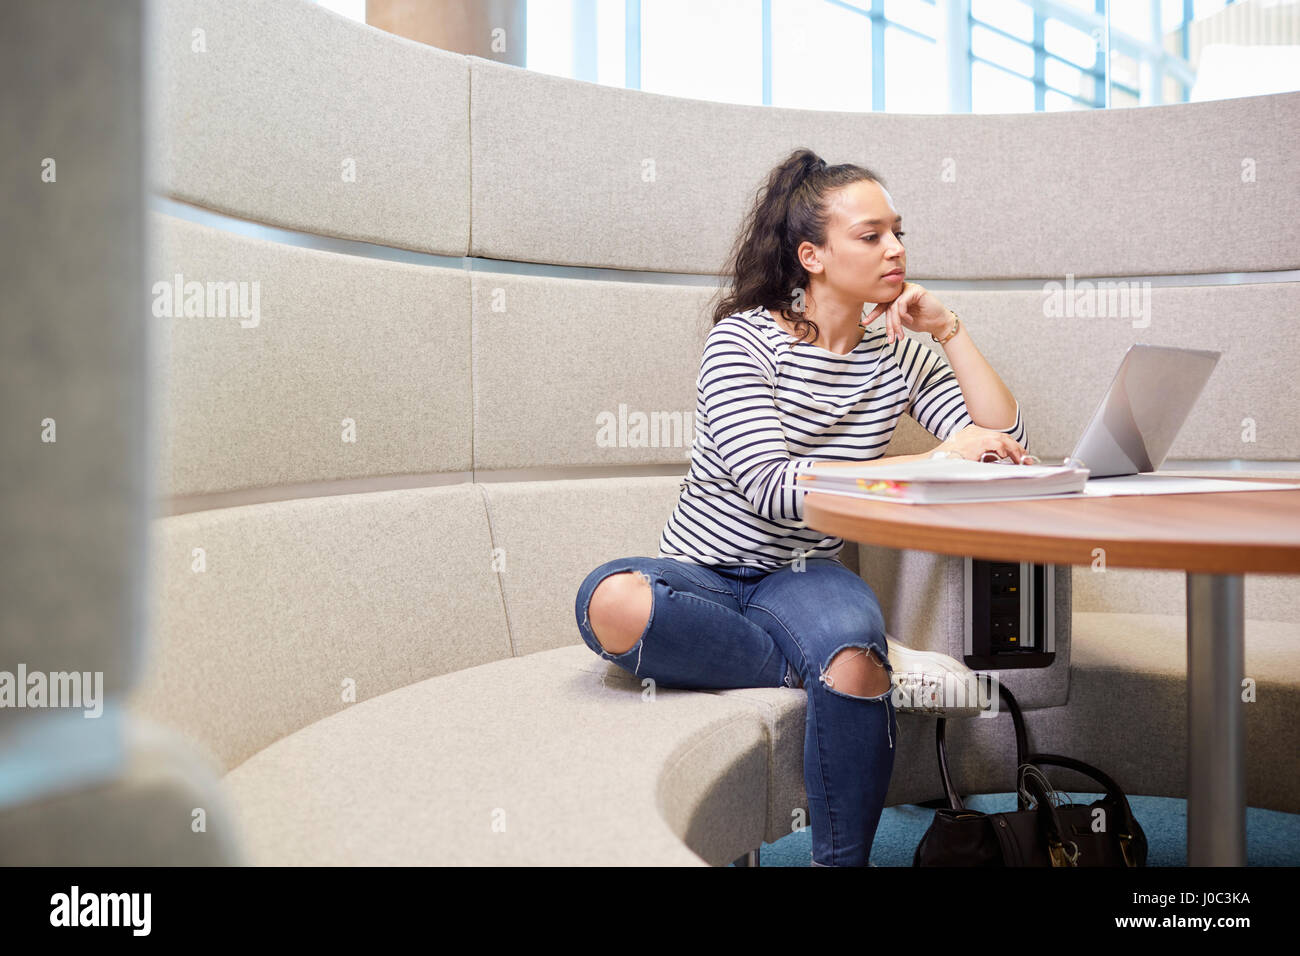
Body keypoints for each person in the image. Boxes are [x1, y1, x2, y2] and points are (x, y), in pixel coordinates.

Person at [573, 148, 1031, 867]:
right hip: (703, 571)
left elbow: (1002, 439)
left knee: (849, 664)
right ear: (812, 256)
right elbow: (774, 486)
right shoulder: (743, 341)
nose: (896, 250)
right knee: (609, 603)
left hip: (807, 576)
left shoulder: (898, 352)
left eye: (899, 232)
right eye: (871, 235)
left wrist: (950, 331)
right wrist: (929, 461)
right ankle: (838, 664)